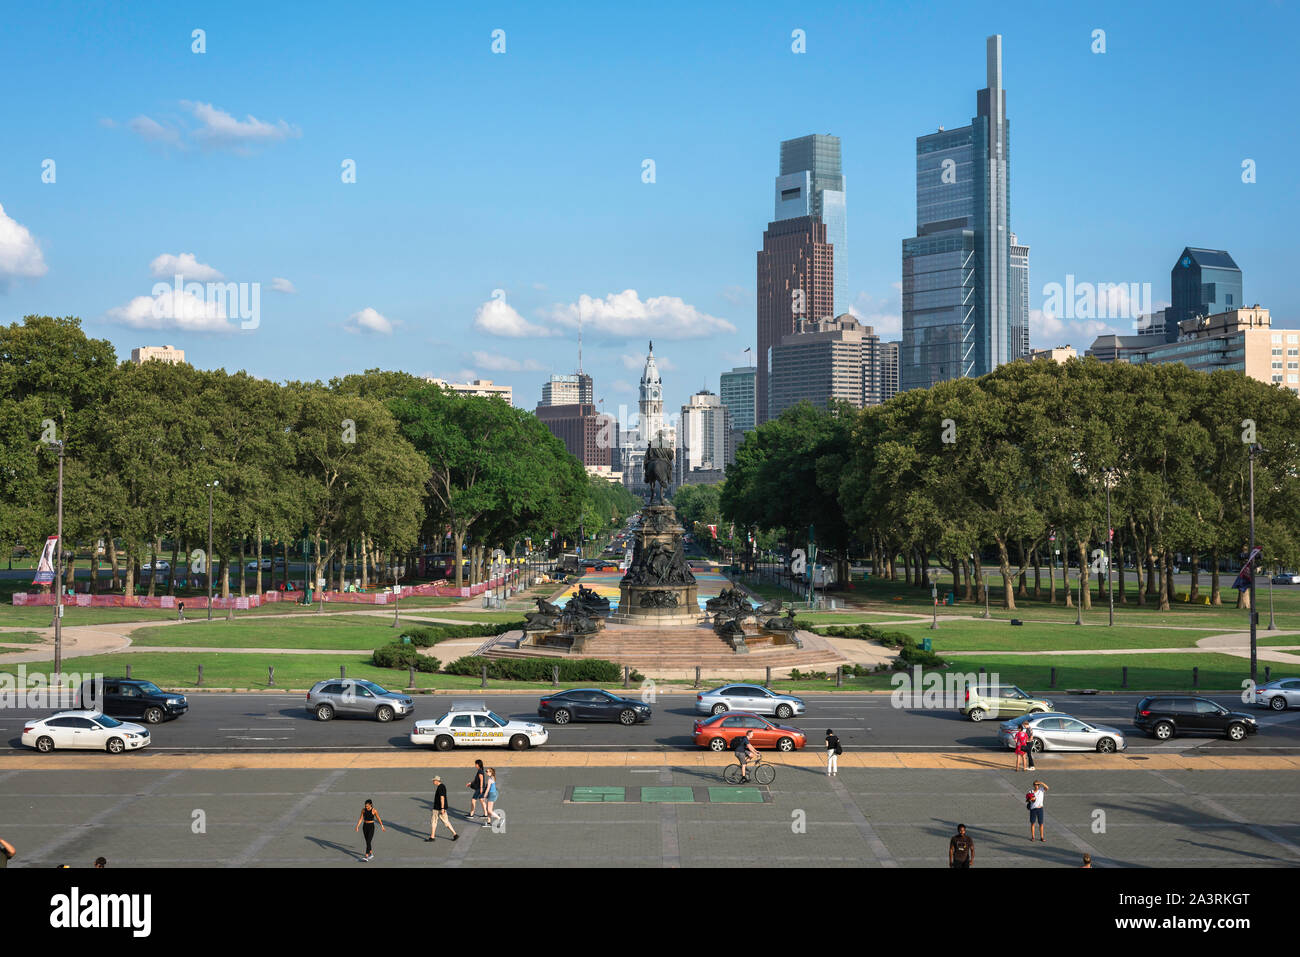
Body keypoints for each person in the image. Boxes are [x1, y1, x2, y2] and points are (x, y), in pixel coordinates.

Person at [426, 776, 459, 842]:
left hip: (438, 808)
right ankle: (455, 834)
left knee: (434, 821)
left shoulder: (440, 787)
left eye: (434, 780)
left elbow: (442, 798)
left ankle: (432, 837)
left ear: (437, 781)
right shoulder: (442, 786)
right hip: (440, 808)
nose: (433, 782)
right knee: (446, 821)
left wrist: (442, 808)